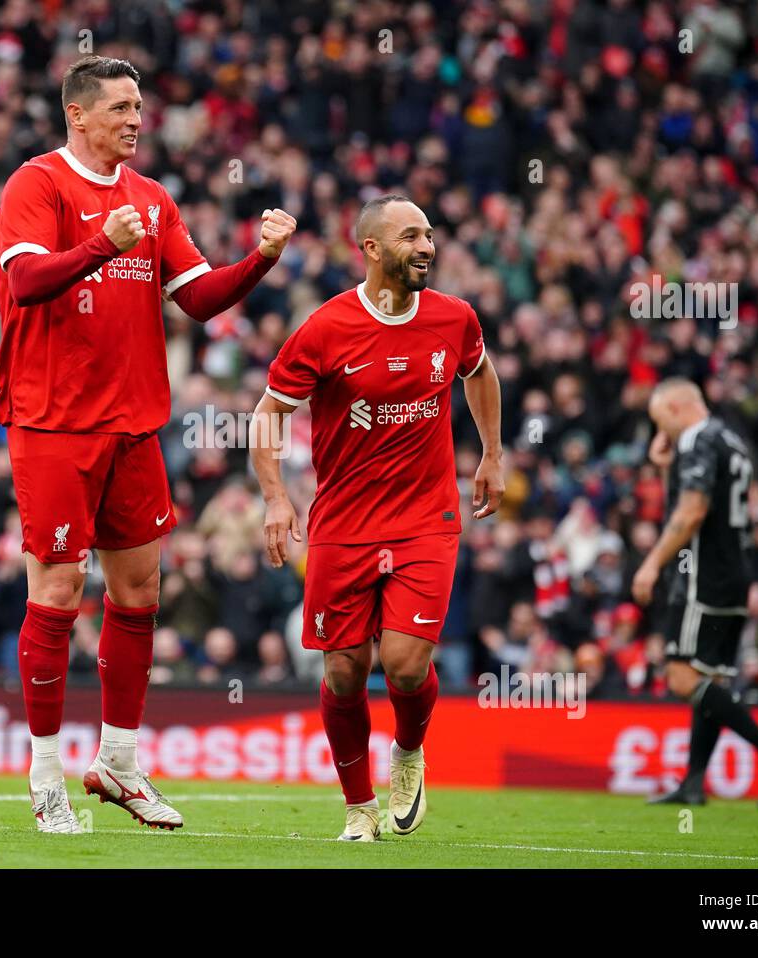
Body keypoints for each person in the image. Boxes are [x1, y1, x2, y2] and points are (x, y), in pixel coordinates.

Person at [0, 55, 296, 833]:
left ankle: (120, 763)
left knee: (141, 594)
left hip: (133, 425)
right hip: (54, 422)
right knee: (57, 593)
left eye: (139, 107)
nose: (136, 119)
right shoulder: (37, 184)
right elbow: (25, 284)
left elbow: (197, 299)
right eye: (122, 107)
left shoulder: (151, 199)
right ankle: (44, 775)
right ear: (79, 116)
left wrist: (258, 260)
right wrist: (99, 243)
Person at [250, 195, 503, 841]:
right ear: (370, 248)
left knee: (404, 663)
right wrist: (277, 496)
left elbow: (480, 374)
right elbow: (268, 412)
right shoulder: (326, 327)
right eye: (411, 236)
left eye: (429, 235)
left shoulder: (455, 318)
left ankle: (409, 753)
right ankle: (358, 808)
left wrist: (492, 454)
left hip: (426, 516)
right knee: (342, 669)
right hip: (342, 522)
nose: (426, 247)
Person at [633, 379, 758, 808]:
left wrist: (651, 563)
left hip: (701, 573)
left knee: (681, 675)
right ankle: (693, 782)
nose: (662, 433)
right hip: (735, 572)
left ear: (674, 407)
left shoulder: (697, 439)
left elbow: (691, 512)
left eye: (660, 422)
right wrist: (666, 467)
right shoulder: (731, 438)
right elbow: (703, 500)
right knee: (713, 677)